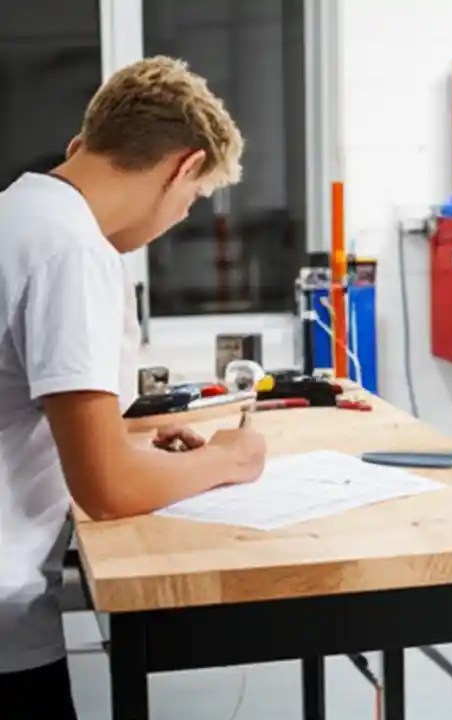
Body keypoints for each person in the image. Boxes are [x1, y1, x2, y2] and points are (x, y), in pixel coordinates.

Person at [0, 56, 267, 718]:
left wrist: (143, 443)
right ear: (182, 167)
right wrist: (227, 459)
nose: (180, 215)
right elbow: (108, 488)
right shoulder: (74, 250)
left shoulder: (21, 211)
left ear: (80, 146)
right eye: (192, 199)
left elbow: (36, 411)